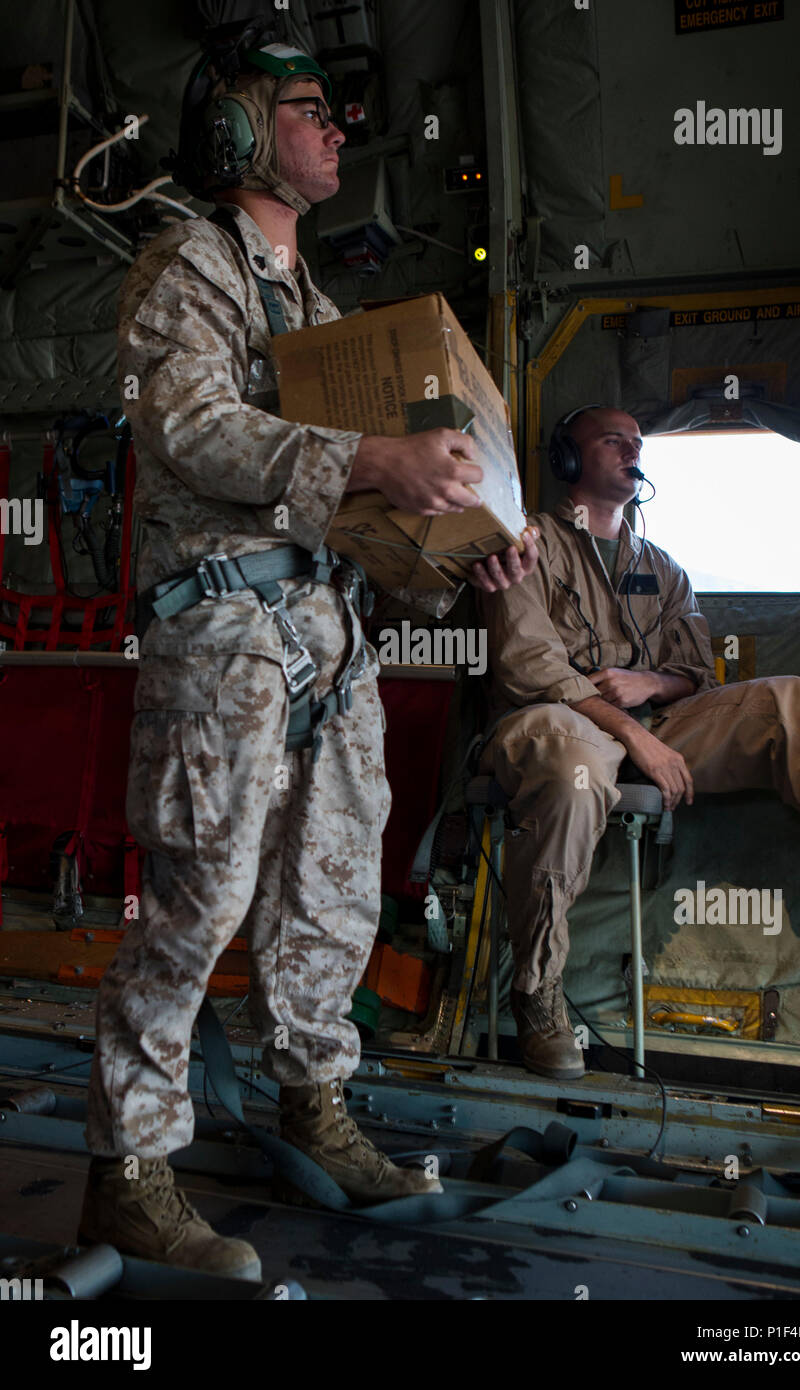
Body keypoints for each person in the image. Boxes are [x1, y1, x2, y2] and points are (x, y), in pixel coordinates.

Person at [78, 41, 538, 1281]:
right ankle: (128, 1170)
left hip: (325, 638)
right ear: (235, 128)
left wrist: (458, 547)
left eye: (338, 115)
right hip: (223, 637)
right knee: (198, 902)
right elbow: (183, 422)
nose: (337, 131)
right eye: (309, 112)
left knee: (328, 893)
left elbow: (374, 498)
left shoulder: (322, 315)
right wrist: (368, 462)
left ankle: (312, 1104)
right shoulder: (188, 264)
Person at [476, 405, 800, 1081]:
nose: (633, 451)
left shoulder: (661, 567)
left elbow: (694, 676)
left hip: (649, 724)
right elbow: (527, 665)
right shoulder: (523, 540)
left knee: (788, 699)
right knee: (574, 769)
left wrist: (646, 683)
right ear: (568, 456)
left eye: (638, 441)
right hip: (553, 718)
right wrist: (630, 730)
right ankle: (537, 992)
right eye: (613, 440)